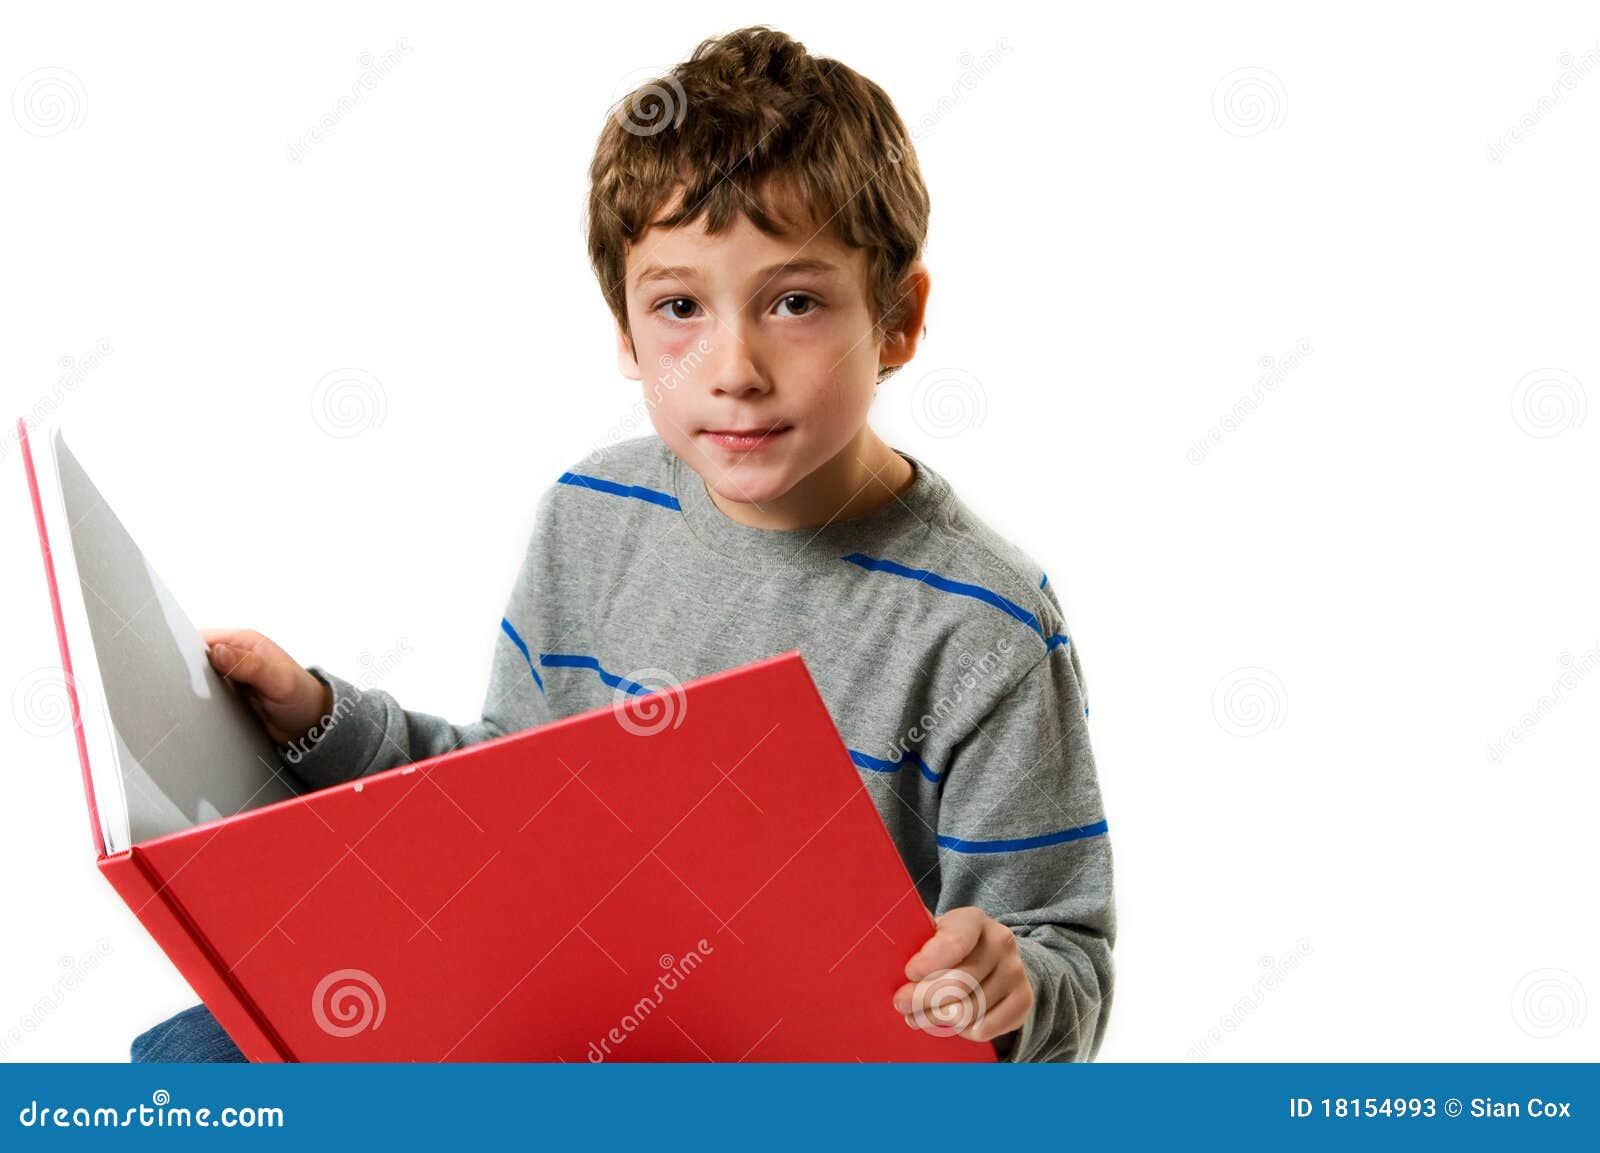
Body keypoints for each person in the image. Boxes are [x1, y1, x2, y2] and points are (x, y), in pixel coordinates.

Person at [132, 24, 1114, 1064]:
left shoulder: (985, 625)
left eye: (795, 303)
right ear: (626, 330)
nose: (734, 368)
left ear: (899, 319)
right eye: (680, 307)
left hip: (797, 1071)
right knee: (193, 1057)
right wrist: (317, 721)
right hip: (574, 1015)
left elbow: (1066, 960)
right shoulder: (593, 514)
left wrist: (1001, 984)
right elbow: (499, 801)